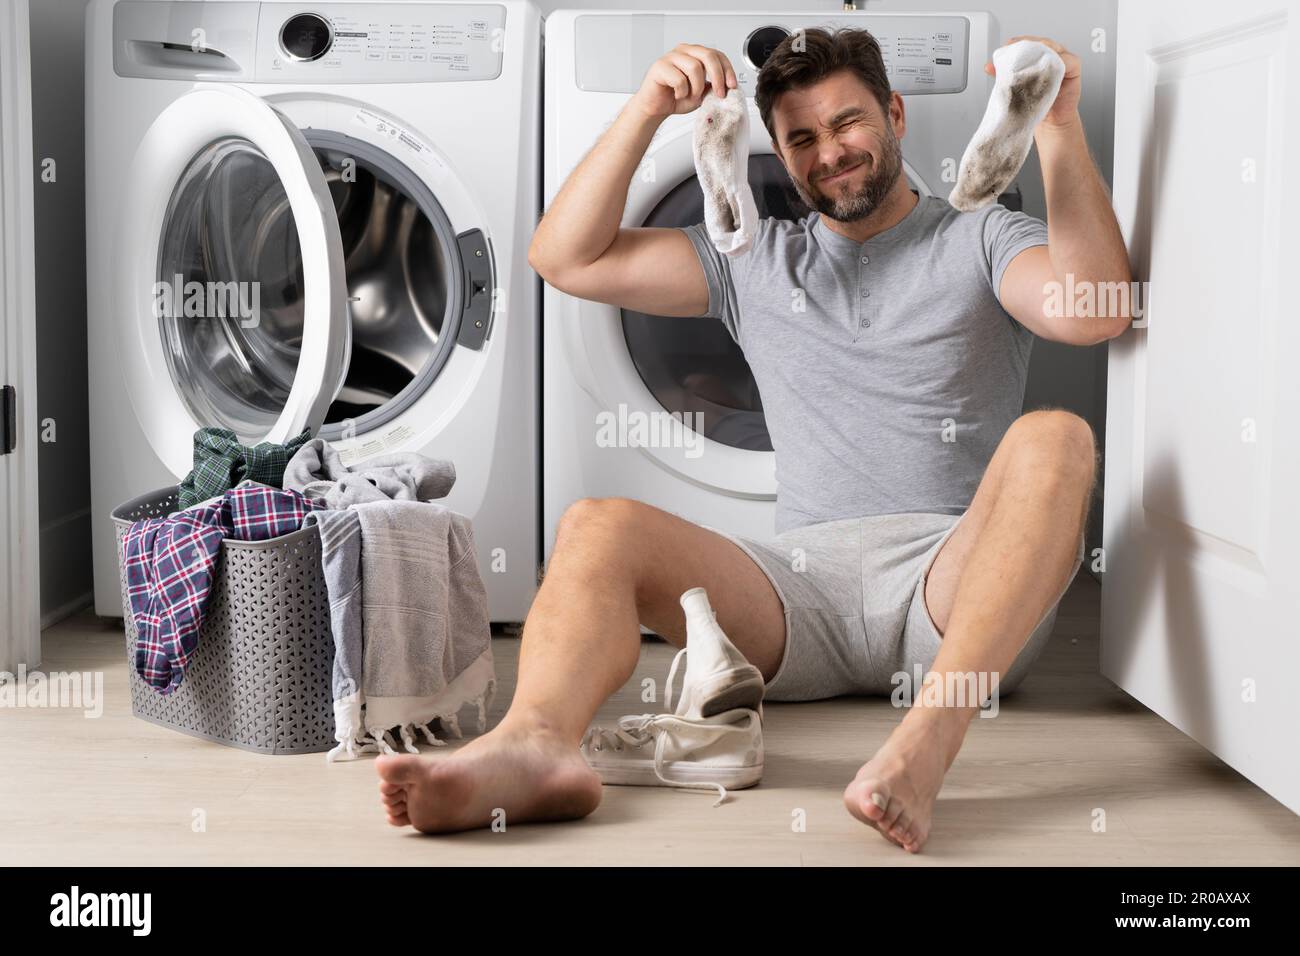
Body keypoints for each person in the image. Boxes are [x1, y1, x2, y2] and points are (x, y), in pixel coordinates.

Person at [377, 28, 1129, 853]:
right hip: (800, 590)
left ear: (896, 115)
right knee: (595, 523)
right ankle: (535, 751)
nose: (830, 153)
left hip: (953, 592)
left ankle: (925, 746)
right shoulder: (757, 261)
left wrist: (1056, 122)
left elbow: (1093, 310)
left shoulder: (979, 238)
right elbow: (564, 257)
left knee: (1056, 437)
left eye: (847, 124)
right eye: (801, 139)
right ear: (778, 154)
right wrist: (647, 110)